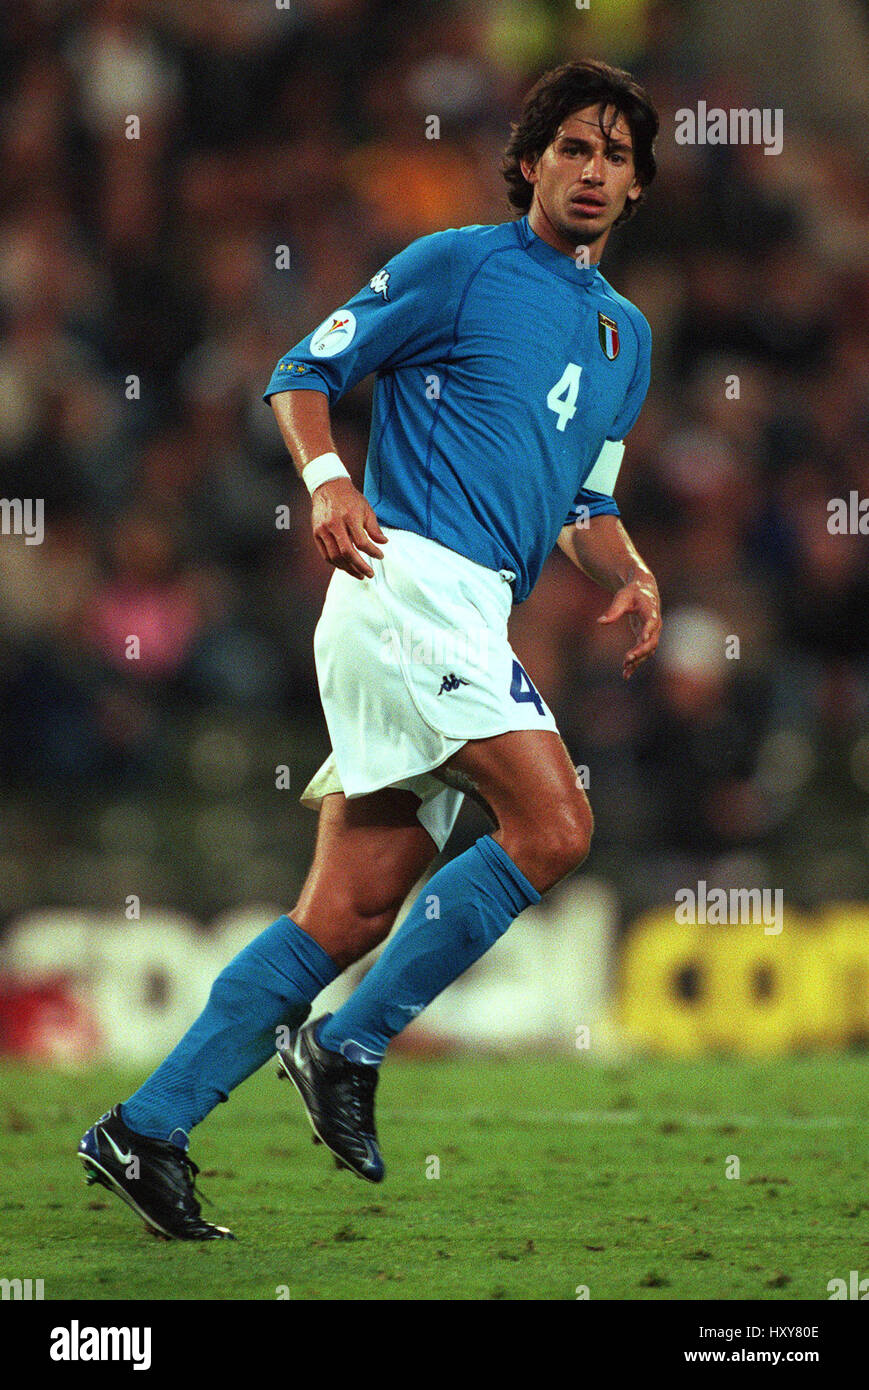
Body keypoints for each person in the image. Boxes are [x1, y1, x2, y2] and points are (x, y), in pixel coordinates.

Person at [77, 58, 662, 1240]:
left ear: (638, 182)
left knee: (347, 912)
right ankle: (347, 1041)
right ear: (530, 161)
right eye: (570, 148)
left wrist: (633, 571)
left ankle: (146, 1128)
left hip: (469, 609)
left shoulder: (624, 338)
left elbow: (580, 509)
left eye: (613, 154)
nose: (590, 171)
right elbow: (302, 370)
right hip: (403, 582)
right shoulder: (456, 263)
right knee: (553, 827)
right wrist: (330, 478)